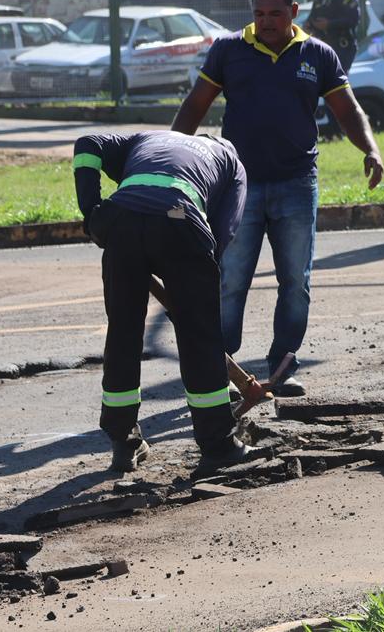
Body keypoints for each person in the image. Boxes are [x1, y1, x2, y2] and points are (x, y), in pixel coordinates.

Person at [172, 0, 384, 397]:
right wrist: (173, 161)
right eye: (259, 14)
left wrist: (371, 150)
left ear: (293, 12)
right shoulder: (229, 51)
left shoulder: (317, 54)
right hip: (239, 187)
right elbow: (195, 105)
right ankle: (223, 371)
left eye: (274, 13)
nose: (266, 22)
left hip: (297, 185)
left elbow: (348, 110)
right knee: (230, 280)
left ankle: (282, 366)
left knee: (296, 280)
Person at [73, 129, 258, 474]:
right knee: (199, 339)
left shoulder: (146, 139)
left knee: (123, 333)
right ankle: (218, 445)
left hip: (121, 222)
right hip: (182, 221)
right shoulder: (232, 163)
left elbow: (87, 144)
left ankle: (124, 443)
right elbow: (225, 230)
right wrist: (193, 291)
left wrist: (92, 212)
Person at [303, 0, 361, 68]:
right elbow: (312, 17)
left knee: (338, 78)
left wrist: (329, 24)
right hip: (323, 45)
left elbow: (353, 19)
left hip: (343, 46)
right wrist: (308, 26)